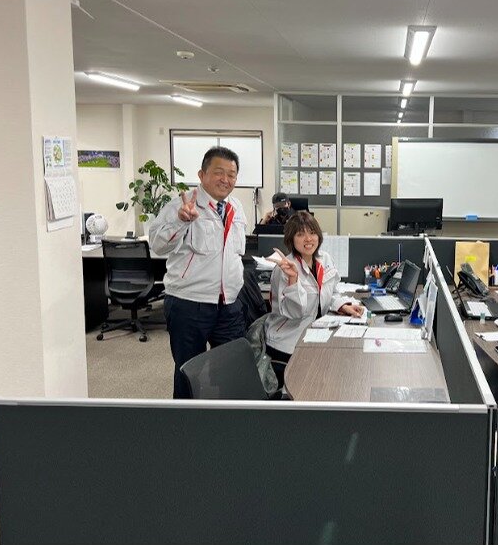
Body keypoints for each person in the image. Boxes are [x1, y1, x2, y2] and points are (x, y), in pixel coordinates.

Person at [149, 146, 247, 399]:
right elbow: (157, 245)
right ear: (202, 174)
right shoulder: (182, 205)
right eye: (218, 172)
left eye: (231, 174)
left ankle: (229, 418)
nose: (225, 179)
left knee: (232, 370)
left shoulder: (236, 207)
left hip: (229, 304)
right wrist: (181, 221)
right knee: (188, 370)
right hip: (189, 304)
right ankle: (186, 419)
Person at [263, 211, 364, 387]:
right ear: (291, 239)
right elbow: (295, 313)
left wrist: (342, 306)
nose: (308, 239)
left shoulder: (324, 259)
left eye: (312, 232)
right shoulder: (284, 268)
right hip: (289, 340)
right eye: (300, 234)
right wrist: (293, 279)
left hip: (315, 333)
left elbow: (331, 292)